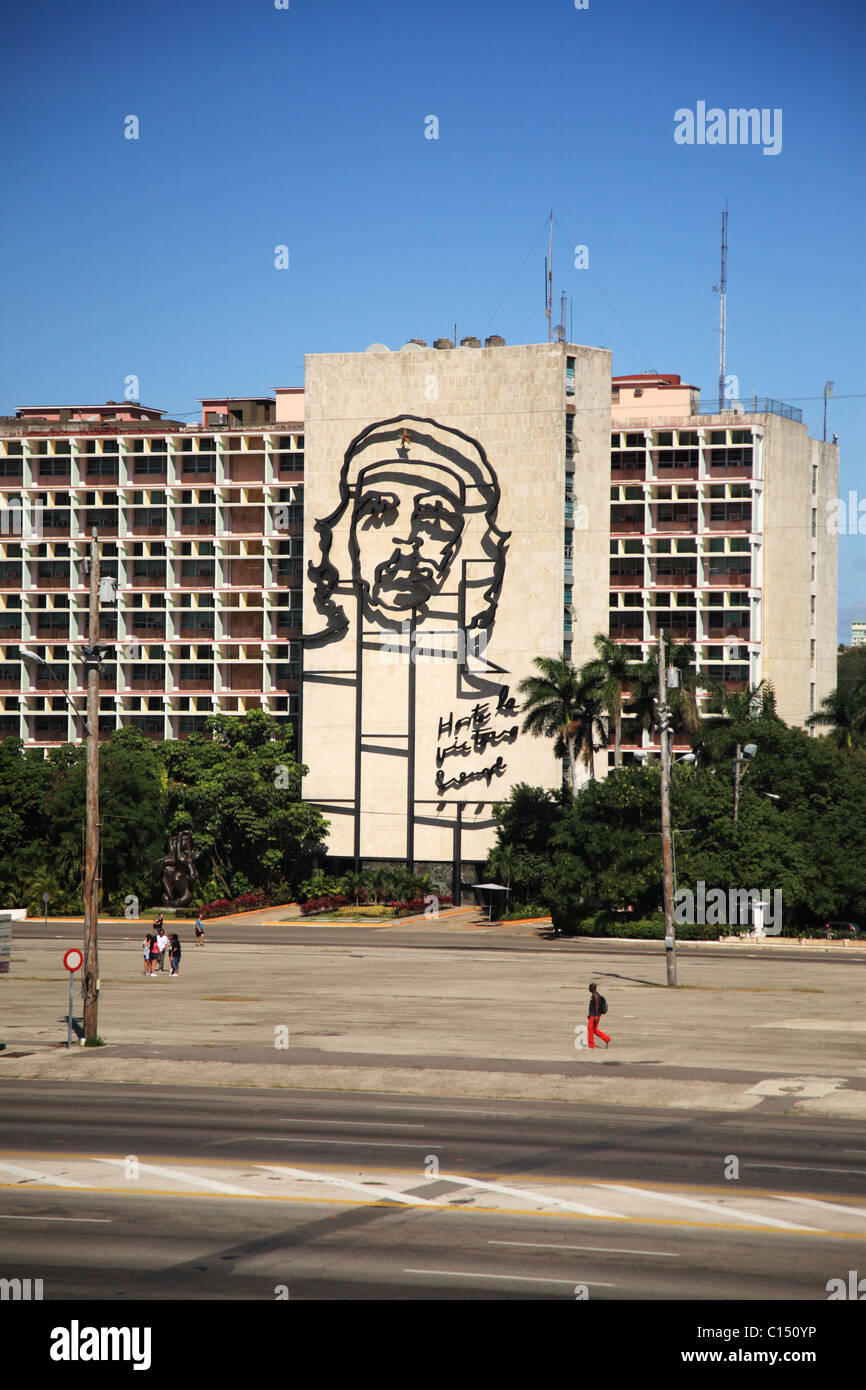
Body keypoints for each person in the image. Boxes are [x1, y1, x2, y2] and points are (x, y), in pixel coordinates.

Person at [587, 981, 611, 1049]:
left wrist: (595, 1016)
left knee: (590, 1028)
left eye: (590, 987)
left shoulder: (596, 996)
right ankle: (607, 1038)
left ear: (593, 988)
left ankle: (591, 1045)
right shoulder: (595, 994)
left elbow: (597, 1006)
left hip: (594, 1015)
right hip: (593, 1014)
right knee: (594, 1029)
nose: (589, 989)